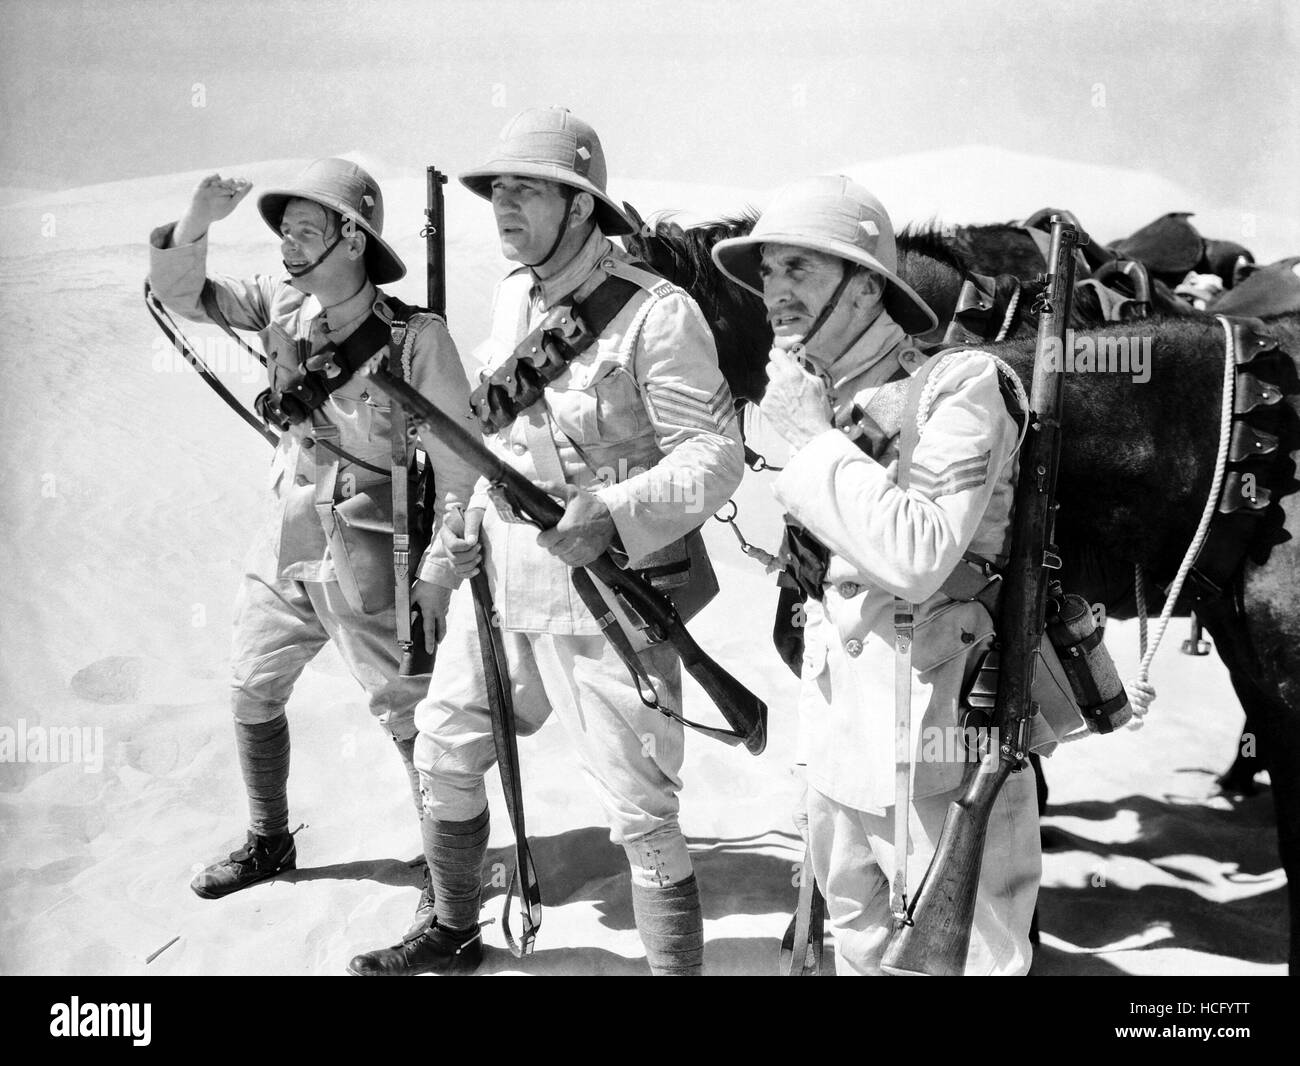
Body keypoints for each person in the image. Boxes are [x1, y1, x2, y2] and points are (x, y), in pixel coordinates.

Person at [348, 107, 744, 976]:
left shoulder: (656, 314)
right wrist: (460, 526)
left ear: (580, 205)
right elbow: (502, 432)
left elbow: (714, 460)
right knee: (445, 746)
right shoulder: (516, 296)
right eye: (498, 192)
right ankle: (455, 928)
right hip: (500, 579)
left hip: (609, 588)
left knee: (640, 809)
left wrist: (612, 507)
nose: (503, 208)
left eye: (527, 192)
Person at [711, 173, 1043, 975]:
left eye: (800, 270)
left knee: (971, 961)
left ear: (866, 286)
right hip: (835, 738)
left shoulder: (958, 386)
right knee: (860, 946)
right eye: (768, 273)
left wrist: (813, 439)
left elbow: (921, 555)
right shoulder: (810, 400)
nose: (774, 293)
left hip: (937, 736)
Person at [148, 158, 478, 905]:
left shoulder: (415, 340)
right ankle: (269, 839)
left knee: (408, 716)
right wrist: (197, 220)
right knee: (251, 685)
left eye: (305, 232)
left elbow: (462, 472)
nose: (288, 249)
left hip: (373, 546)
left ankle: (445, 872)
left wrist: (437, 571)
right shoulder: (277, 307)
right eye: (285, 233)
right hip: (290, 539)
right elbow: (178, 295)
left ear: (353, 240)